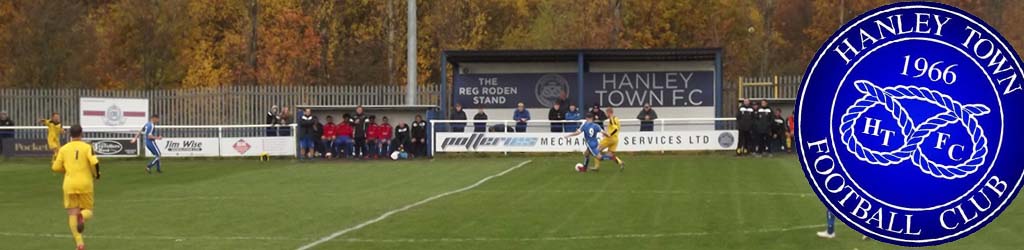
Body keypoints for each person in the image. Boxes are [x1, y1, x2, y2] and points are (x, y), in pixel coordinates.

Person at [51, 124, 100, 250]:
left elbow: (55, 167)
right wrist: (97, 175)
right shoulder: (87, 147)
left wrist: (67, 170)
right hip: (85, 183)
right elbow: (95, 162)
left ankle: (79, 244)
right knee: (88, 211)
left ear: (70, 135)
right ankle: (82, 216)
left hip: (69, 184)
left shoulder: (64, 149)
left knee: (72, 213)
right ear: (81, 134)